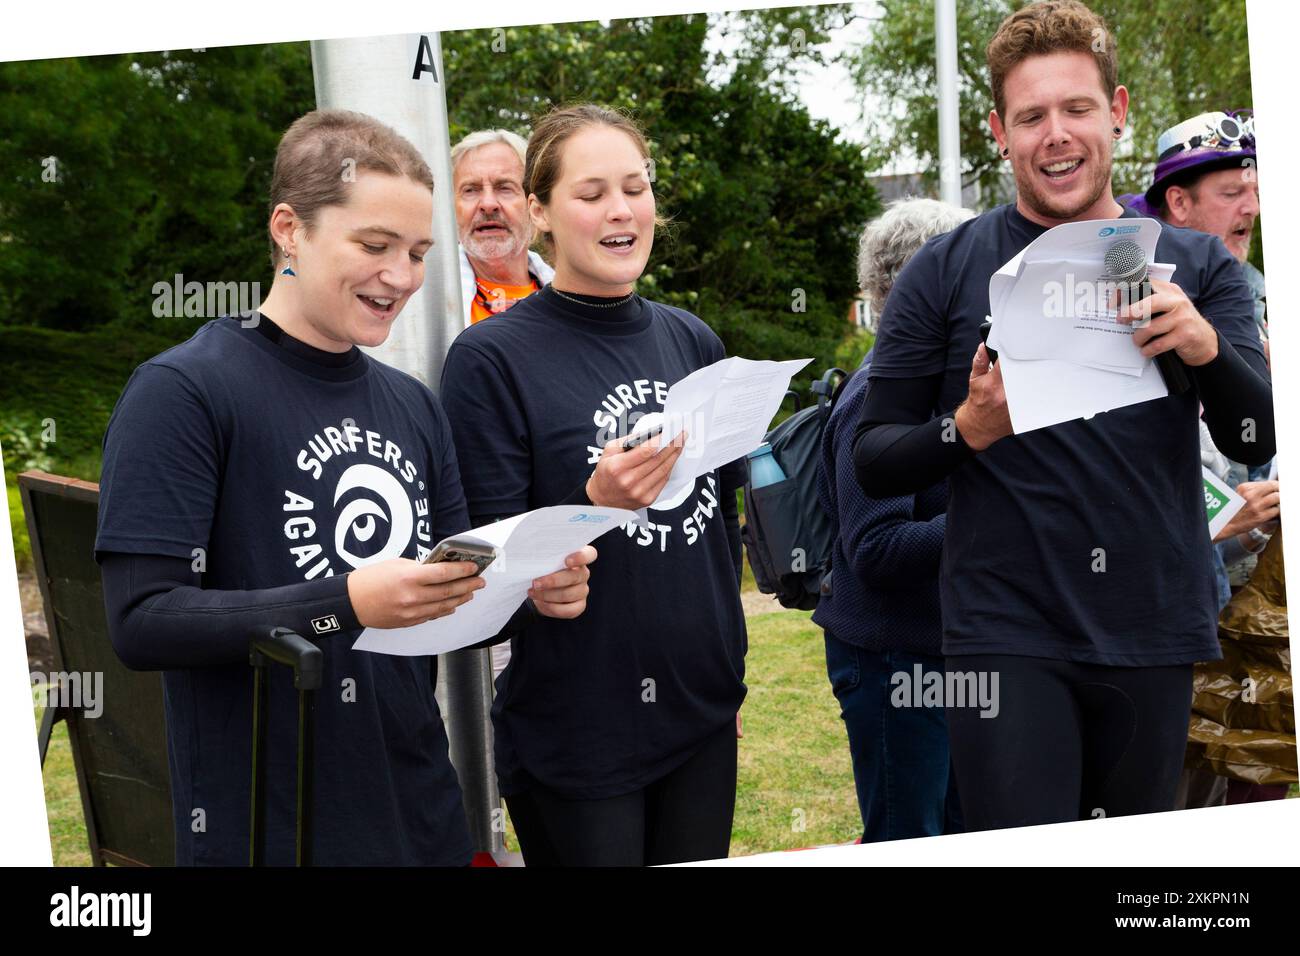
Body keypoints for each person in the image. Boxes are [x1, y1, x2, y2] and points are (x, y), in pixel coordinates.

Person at [95, 109, 596, 866]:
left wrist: (530, 592)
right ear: (289, 229)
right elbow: (144, 621)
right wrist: (346, 605)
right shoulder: (184, 390)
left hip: (422, 812)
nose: (400, 275)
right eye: (374, 245)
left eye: (420, 251)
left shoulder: (411, 403)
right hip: (272, 830)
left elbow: (452, 600)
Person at [852, 1, 1274, 831]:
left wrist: (1202, 349)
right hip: (1003, 633)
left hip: (1153, 626)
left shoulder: (1193, 265)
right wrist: (967, 430)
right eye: (1031, 115)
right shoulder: (944, 268)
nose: (1057, 134)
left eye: (1077, 108)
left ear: (1115, 114)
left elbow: (1254, 435)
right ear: (999, 133)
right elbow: (873, 457)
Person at [440, 104, 748, 866]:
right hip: (579, 731)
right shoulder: (489, 360)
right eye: (592, 193)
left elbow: (714, 529)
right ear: (540, 211)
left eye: (636, 187)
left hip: (700, 715)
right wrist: (592, 508)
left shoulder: (692, 338)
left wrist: (720, 673)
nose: (621, 210)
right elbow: (480, 570)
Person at [1126, 112, 1285, 806]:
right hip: (1179, 618)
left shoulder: (1260, 302)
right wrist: (1215, 524)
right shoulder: (1126, 305)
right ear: (1179, 204)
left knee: (1262, 784)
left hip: (1266, 616)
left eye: (1255, 189)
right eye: (1232, 191)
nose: (1251, 206)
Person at [814, 198, 972, 843]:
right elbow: (875, 549)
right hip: (894, 661)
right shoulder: (879, 392)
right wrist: (991, 524)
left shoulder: (945, 382)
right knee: (909, 837)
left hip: (947, 652)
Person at [452, 129, 555, 328]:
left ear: (534, 206)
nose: (488, 204)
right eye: (471, 190)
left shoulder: (577, 302)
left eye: (504, 188)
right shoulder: (422, 301)